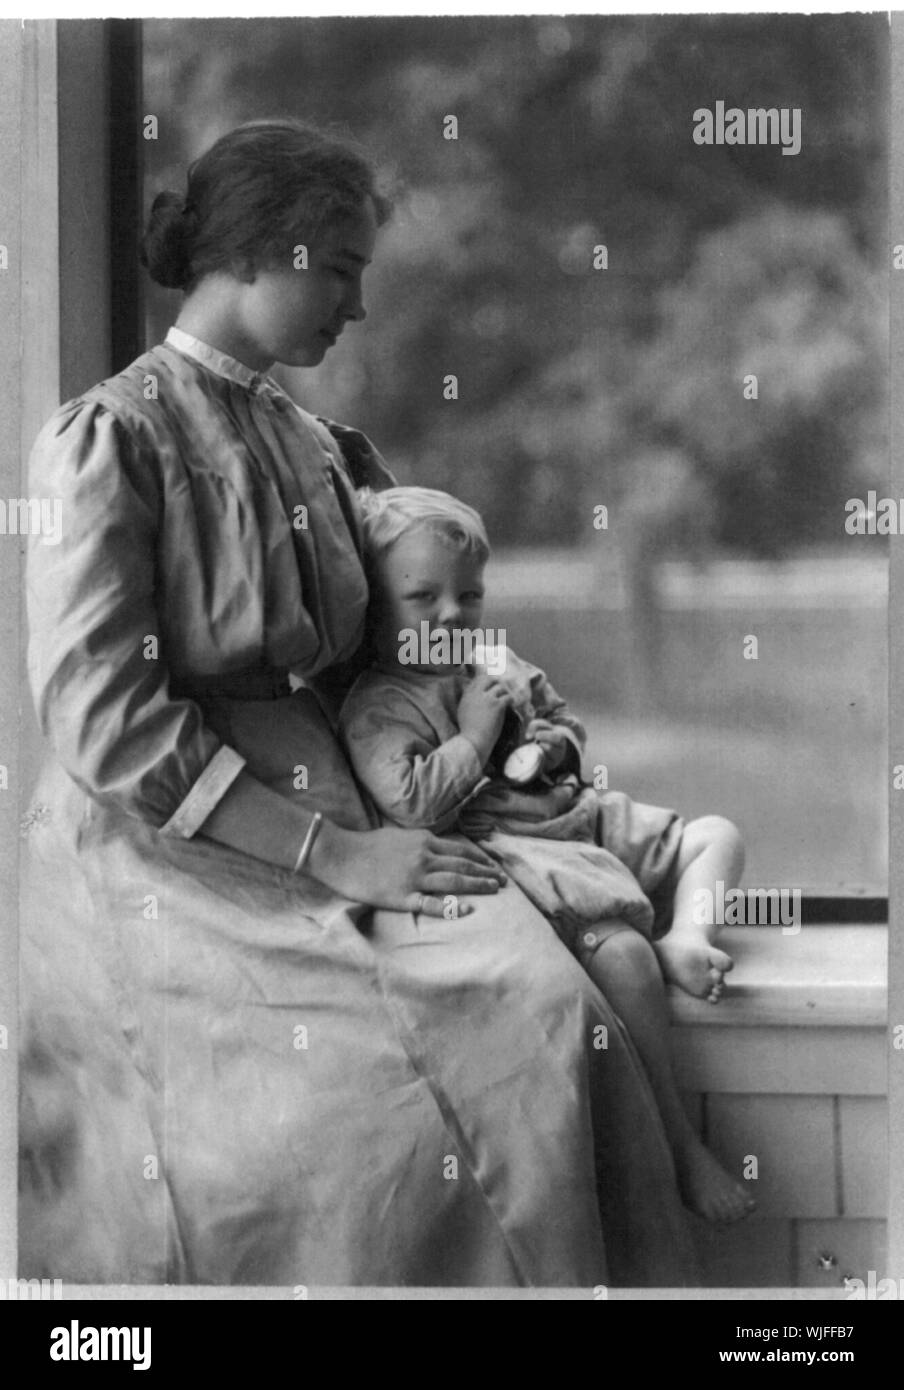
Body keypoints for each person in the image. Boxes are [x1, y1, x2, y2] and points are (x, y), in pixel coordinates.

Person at [19, 118, 699, 1287]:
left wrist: (503, 737)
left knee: (543, 1003)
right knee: (362, 1124)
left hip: (361, 810)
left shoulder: (321, 446)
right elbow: (101, 719)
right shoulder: (113, 438)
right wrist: (332, 852)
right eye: (341, 270)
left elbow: (410, 651)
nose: (358, 307)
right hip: (173, 853)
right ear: (266, 253)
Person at [340, 485, 755, 1224]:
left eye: (469, 596)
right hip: (522, 851)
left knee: (717, 834)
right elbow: (411, 804)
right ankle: (681, 1145)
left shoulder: (495, 659)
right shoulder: (380, 704)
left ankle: (689, 935)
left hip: (577, 816)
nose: (450, 617)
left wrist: (548, 744)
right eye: (420, 598)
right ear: (372, 607)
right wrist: (470, 739)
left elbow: (566, 723)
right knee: (622, 958)